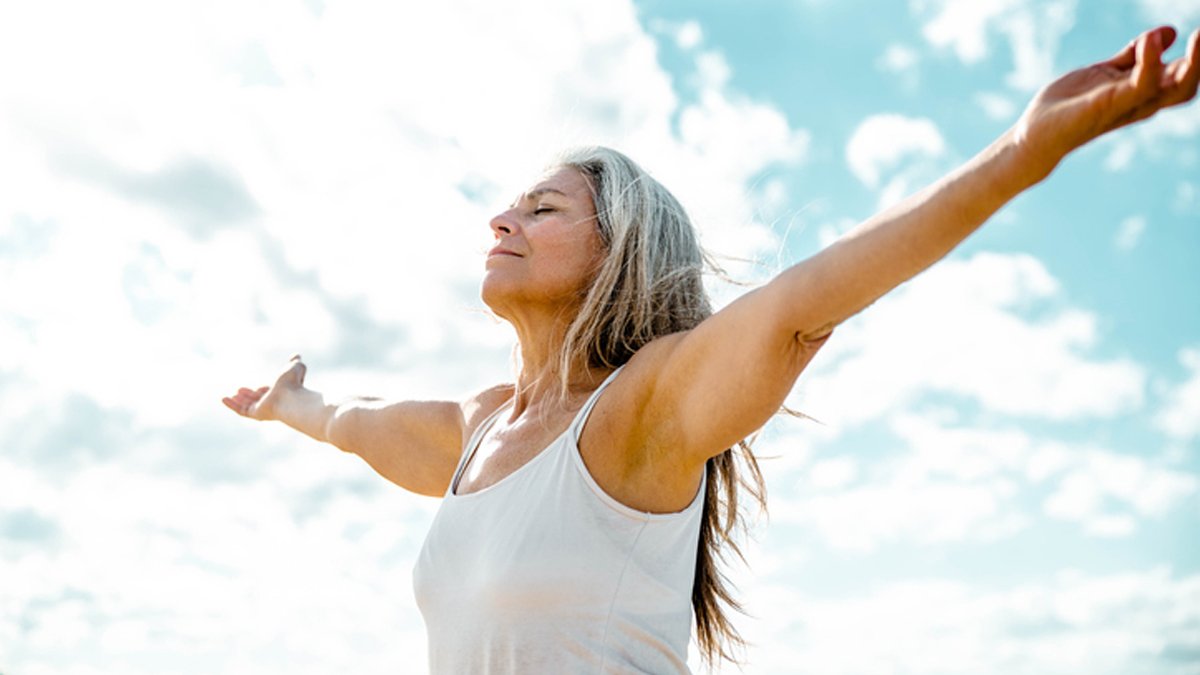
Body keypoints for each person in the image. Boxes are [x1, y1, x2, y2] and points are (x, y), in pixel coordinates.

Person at [223, 26, 1199, 674]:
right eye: (511, 203)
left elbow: (802, 304)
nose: (503, 219)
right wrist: (289, 405)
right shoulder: (477, 431)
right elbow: (352, 424)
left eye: (544, 208)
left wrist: (1025, 150)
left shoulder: (642, 414)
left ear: (620, 251)